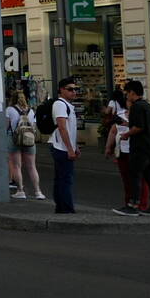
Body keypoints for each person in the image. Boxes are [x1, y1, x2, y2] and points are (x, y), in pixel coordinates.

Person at [117, 80, 150, 217]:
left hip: (140, 147)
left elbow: (139, 127)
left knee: (135, 175)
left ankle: (133, 205)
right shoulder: (149, 106)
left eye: (127, 93)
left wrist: (126, 134)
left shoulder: (137, 107)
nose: (126, 97)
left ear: (132, 93)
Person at [104, 86, 146, 214]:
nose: (129, 104)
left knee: (140, 179)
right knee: (126, 179)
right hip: (122, 151)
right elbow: (113, 131)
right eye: (128, 101)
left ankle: (142, 205)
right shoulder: (120, 115)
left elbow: (141, 129)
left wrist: (127, 129)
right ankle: (129, 203)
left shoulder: (141, 114)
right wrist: (108, 147)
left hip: (137, 151)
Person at [50, 77, 81, 214]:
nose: (74, 92)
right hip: (61, 147)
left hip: (64, 147)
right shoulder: (60, 105)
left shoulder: (67, 105)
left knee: (61, 178)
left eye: (75, 89)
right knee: (65, 179)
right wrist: (70, 149)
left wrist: (75, 146)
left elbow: (71, 129)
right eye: (70, 89)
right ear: (61, 90)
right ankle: (66, 208)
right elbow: (62, 127)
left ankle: (61, 207)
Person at [5, 91, 44, 200]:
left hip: (14, 139)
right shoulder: (31, 111)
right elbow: (34, 127)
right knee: (32, 166)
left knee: (16, 166)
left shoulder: (9, 110)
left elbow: (6, 126)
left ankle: (20, 191)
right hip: (29, 140)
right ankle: (38, 192)